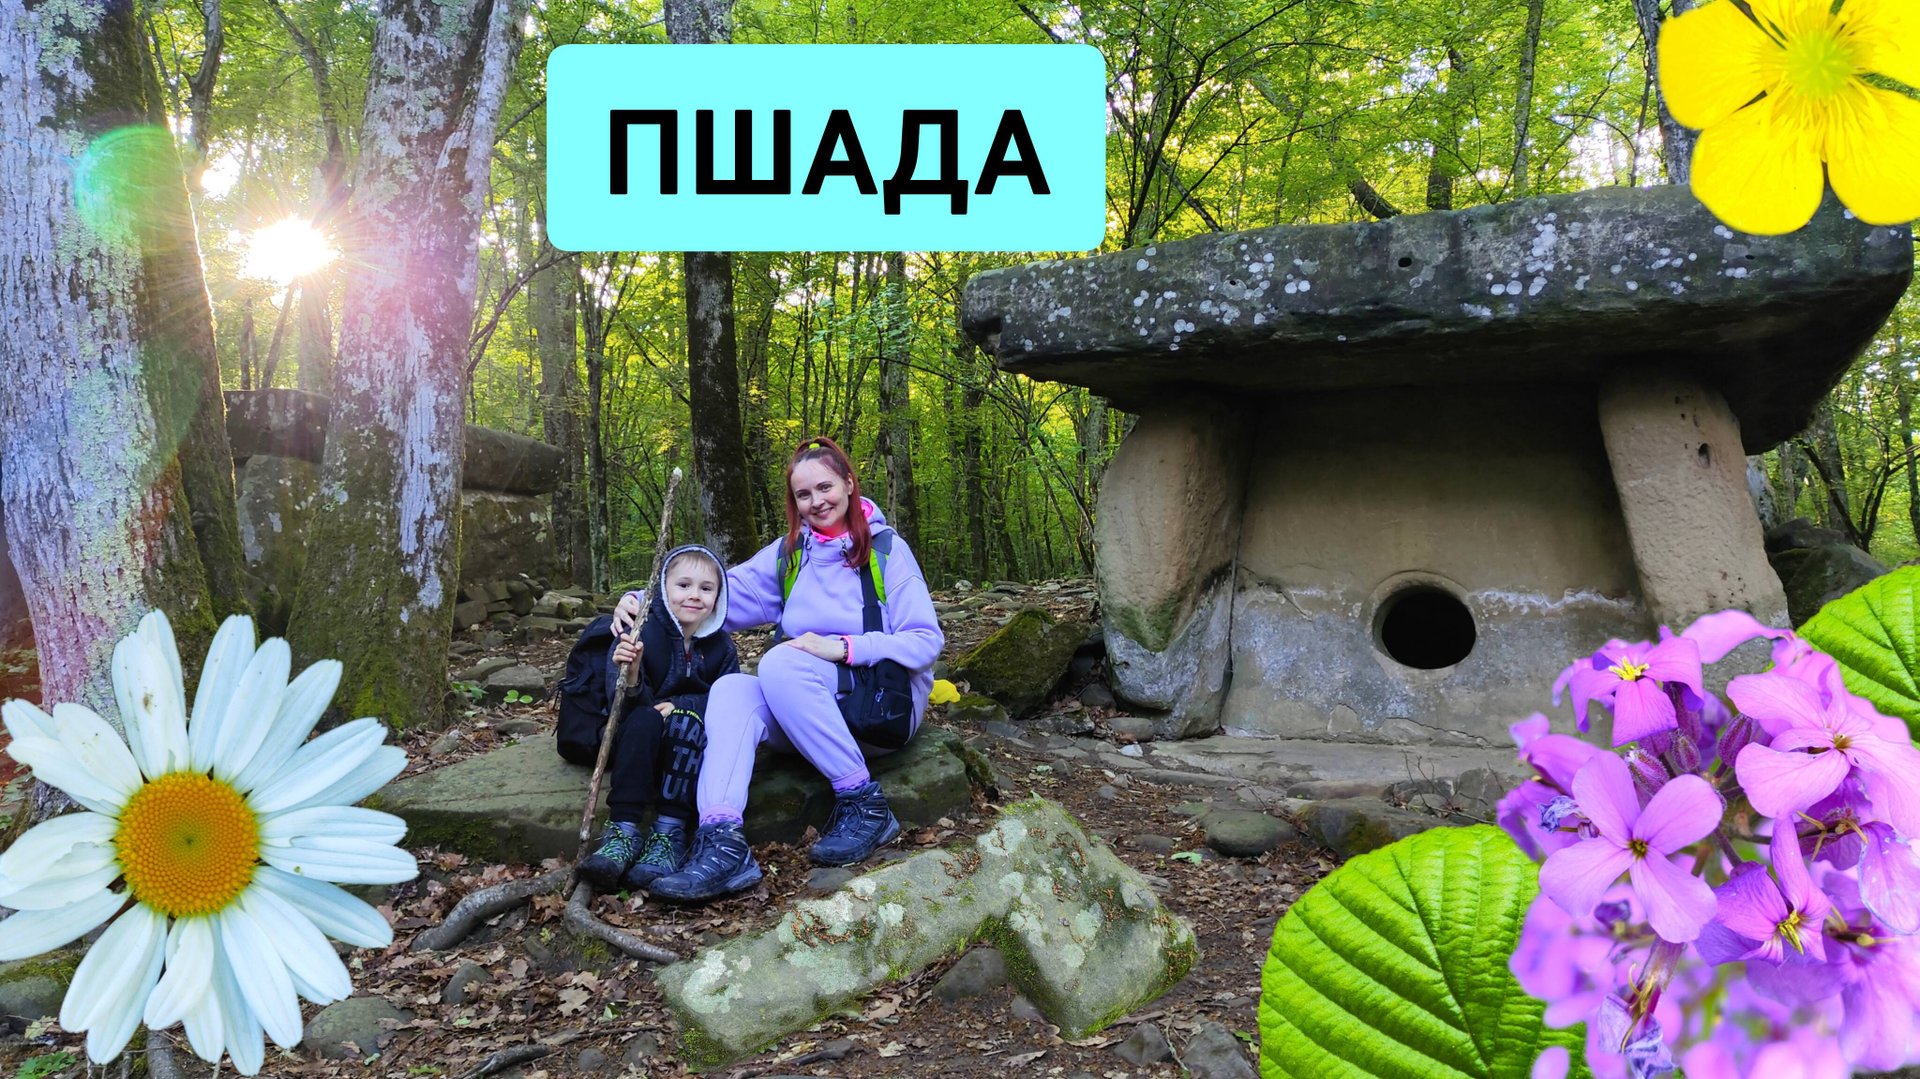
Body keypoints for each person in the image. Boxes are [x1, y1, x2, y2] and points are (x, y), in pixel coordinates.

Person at [611, 436, 944, 901]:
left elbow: (926, 640)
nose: (816, 502)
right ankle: (722, 841)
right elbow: (715, 594)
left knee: (780, 661)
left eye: (825, 487)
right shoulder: (790, 553)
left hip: (881, 710)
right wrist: (644, 601)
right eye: (803, 494)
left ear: (849, 484)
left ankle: (864, 803)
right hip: (805, 707)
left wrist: (843, 647)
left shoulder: (888, 550)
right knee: (731, 689)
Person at [577, 545, 738, 892]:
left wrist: (680, 705)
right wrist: (632, 674)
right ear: (664, 589)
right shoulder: (638, 633)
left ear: (718, 598)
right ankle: (623, 831)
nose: (694, 595)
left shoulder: (722, 647)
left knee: (685, 722)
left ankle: (669, 833)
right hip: (638, 738)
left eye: (706, 588)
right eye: (683, 585)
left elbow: (732, 698)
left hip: (691, 743)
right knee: (646, 720)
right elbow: (620, 706)